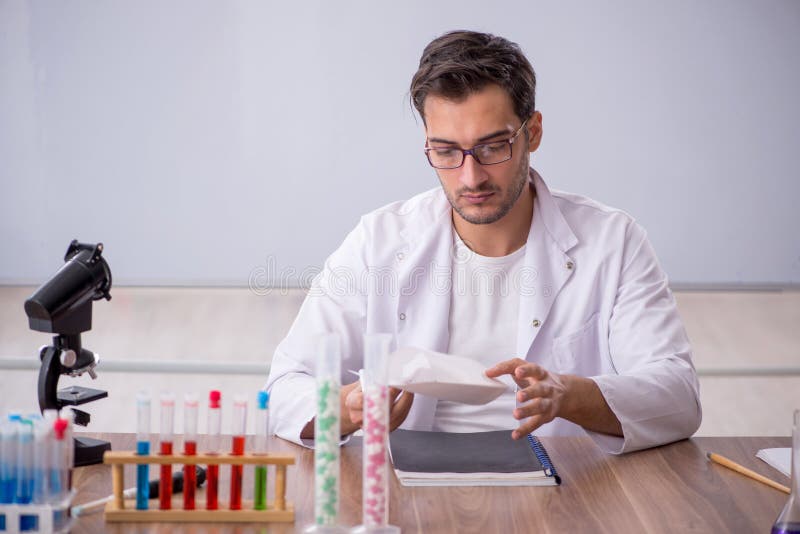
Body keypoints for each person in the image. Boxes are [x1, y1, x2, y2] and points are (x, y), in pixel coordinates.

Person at [266, 30, 701, 454]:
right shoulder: (377, 241)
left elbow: (678, 396)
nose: (470, 177)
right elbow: (286, 385)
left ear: (533, 132)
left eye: (493, 147)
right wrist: (345, 409)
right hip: (414, 494)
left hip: (567, 494)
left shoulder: (612, 240)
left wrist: (568, 396)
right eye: (446, 151)